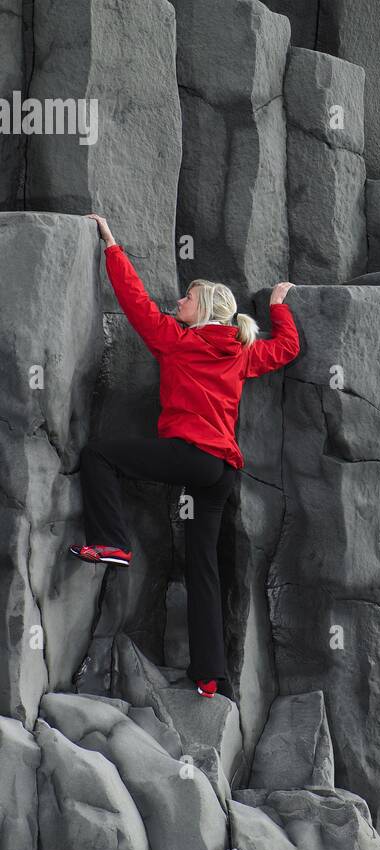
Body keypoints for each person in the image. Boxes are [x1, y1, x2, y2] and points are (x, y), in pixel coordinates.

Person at [71, 213, 301, 699]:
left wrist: (111, 244)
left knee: (98, 456)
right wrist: (278, 306)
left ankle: (112, 541)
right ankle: (209, 676)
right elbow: (286, 349)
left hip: (191, 455)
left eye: (187, 298)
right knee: (204, 568)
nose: (178, 301)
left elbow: (135, 304)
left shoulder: (178, 342)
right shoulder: (240, 351)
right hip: (220, 473)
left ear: (204, 310)